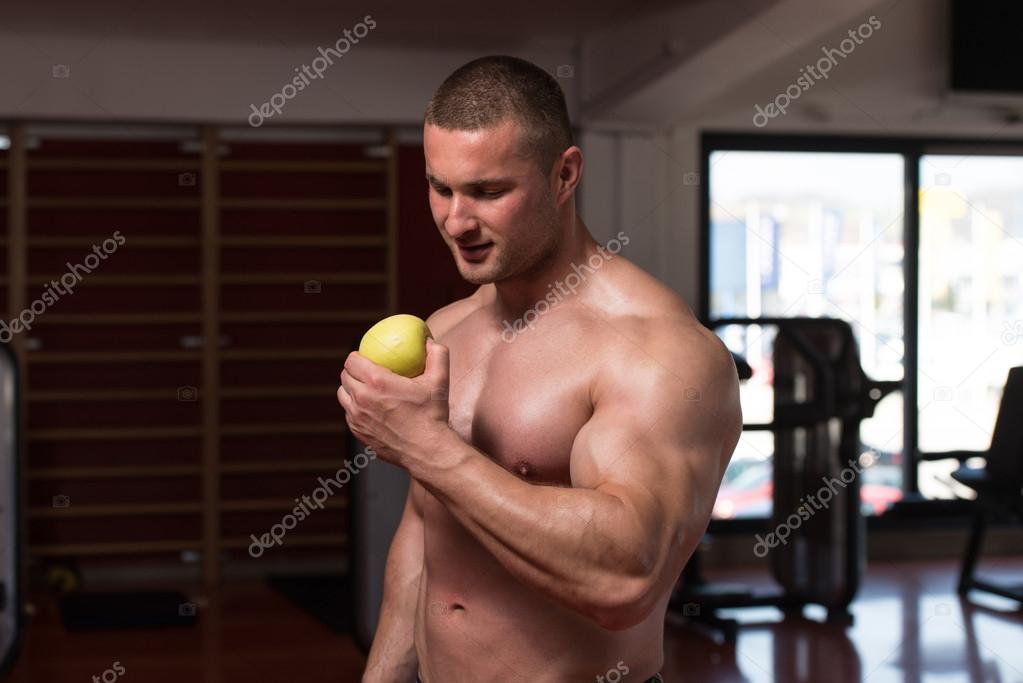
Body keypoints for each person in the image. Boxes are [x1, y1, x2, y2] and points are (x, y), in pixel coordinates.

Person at [338, 55, 742, 683]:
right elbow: (426, 531)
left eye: (489, 191)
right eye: (441, 187)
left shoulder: (656, 350)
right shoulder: (443, 331)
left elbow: (625, 577)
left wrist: (427, 446)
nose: (456, 221)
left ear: (564, 174)